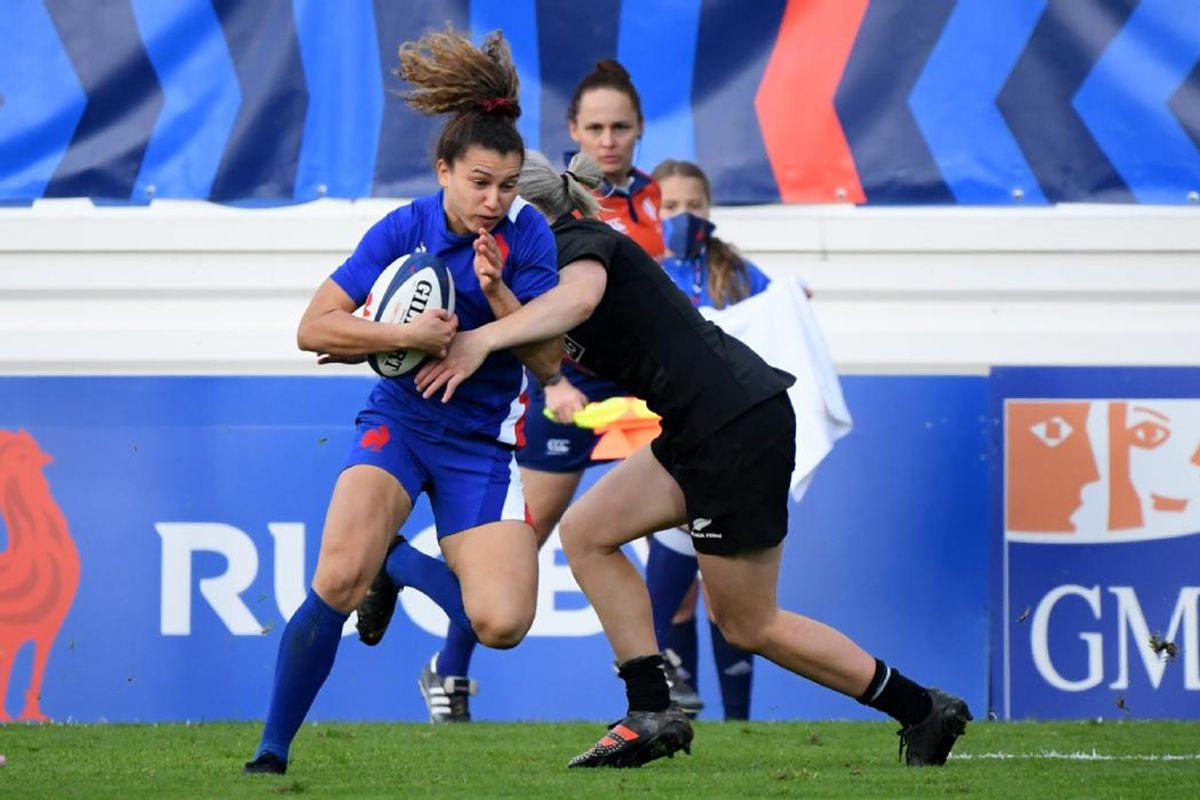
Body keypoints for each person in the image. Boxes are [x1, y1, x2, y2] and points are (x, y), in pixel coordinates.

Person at [412, 150, 973, 769]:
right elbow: (546, 363)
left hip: (733, 425)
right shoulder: (544, 269)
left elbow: (575, 305)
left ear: (530, 212)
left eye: (501, 207)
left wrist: (483, 335)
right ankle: (650, 708)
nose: (486, 219)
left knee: (748, 624)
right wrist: (494, 292)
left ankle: (922, 710)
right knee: (586, 532)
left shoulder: (579, 242)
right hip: (703, 425)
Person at [242, 28, 561, 776]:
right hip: (401, 423)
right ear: (443, 169)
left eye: (508, 185)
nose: (495, 200)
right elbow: (313, 327)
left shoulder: (532, 238)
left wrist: (496, 295)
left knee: (503, 621)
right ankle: (270, 754)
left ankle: (396, 563)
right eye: (480, 181)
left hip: (483, 444)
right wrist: (405, 335)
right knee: (337, 578)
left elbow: (548, 363)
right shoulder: (404, 229)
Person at [356, 57, 700, 722]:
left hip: (631, 400)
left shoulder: (654, 198)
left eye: (619, 126)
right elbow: (546, 312)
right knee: (520, 549)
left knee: (688, 511)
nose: (607, 139)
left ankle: (661, 664)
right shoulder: (543, 202)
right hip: (564, 395)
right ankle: (448, 671)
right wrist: (557, 381)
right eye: (595, 126)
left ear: (639, 131)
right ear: (574, 129)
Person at [642, 158, 775, 721]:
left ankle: (738, 719)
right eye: (670, 206)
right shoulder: (641, 271)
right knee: (685, 578)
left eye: (693, 205)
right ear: (652, 210)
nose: (683, 216)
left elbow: (776, 332)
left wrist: (795, 302)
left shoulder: (739, 274)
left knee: (727, 587)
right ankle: (678, 699)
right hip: (662, 437)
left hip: (732, 443)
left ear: (710, 209)